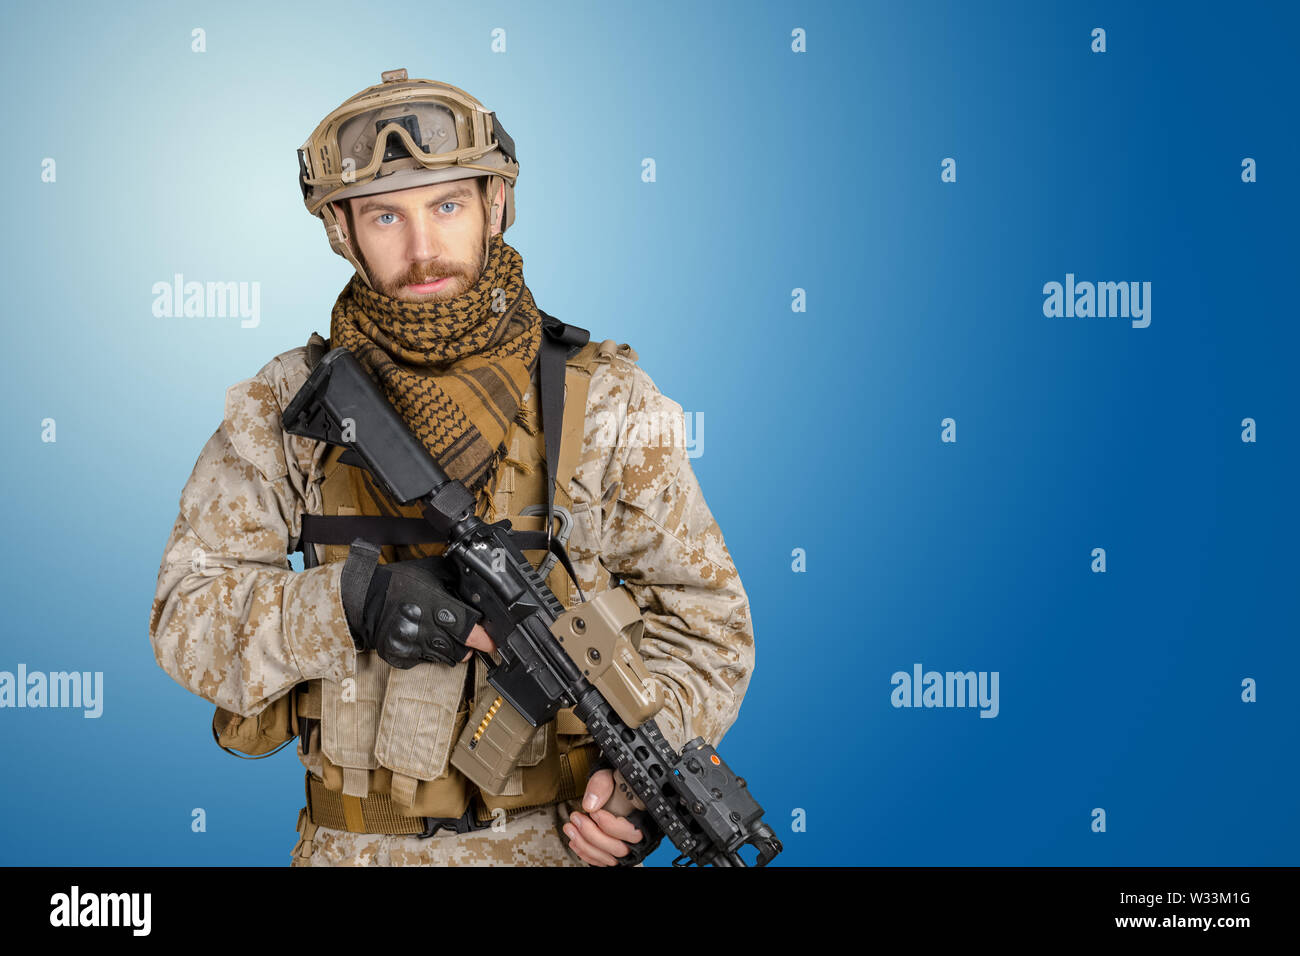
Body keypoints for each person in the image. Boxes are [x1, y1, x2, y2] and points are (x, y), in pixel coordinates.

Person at [148, 68, 755, 866]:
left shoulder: (606, 400)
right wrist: (348, 603)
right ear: (343, 229)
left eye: (446, 205)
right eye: (385, 216)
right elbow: (185, 620)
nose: (424, 247)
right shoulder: (285, 405)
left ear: (494, 205)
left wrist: (629, 791)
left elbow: (709, 626)